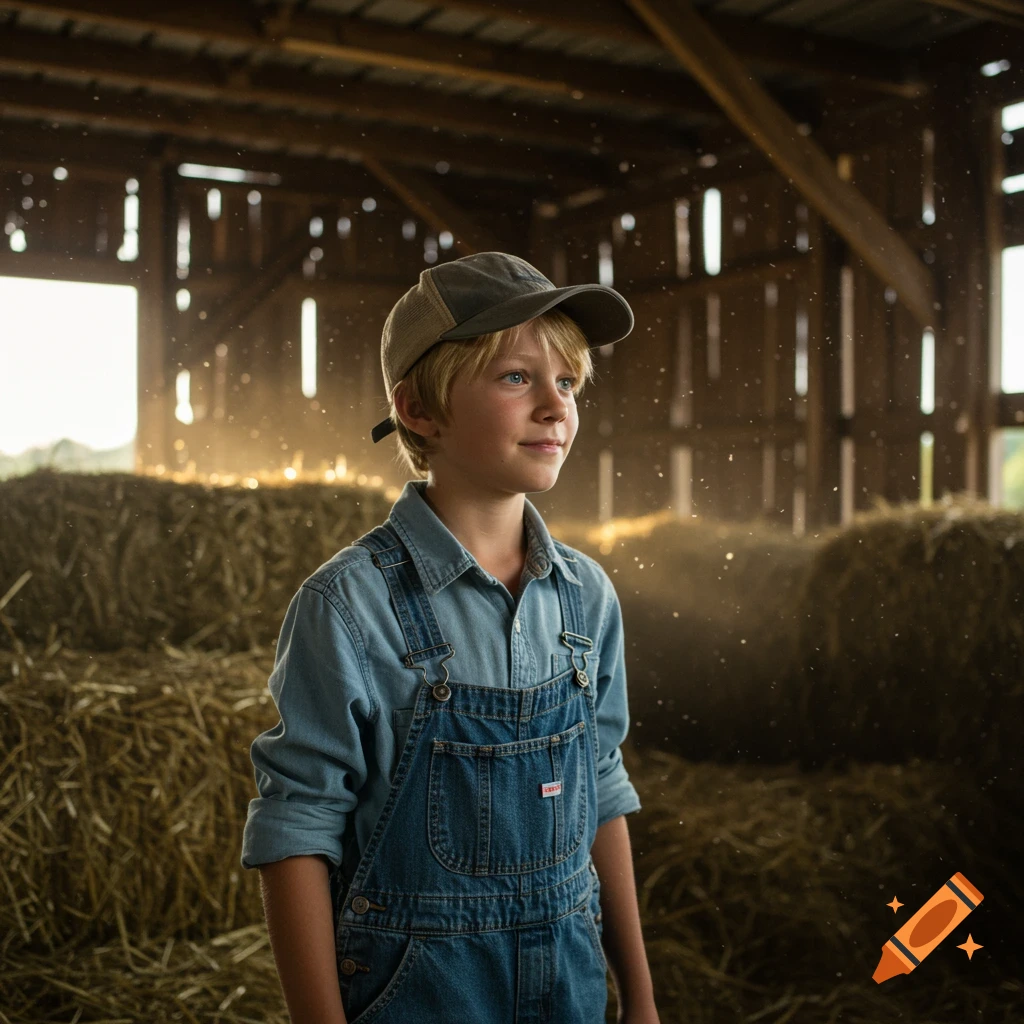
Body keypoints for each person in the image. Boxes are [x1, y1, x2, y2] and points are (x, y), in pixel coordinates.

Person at [241, 251, 660, 1024]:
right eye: (515, 378)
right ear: (419, 409)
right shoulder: (348, 605)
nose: (554, 407)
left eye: (566, 382)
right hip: (417, 996)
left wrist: (640, 997)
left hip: (570, 990)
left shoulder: (586, 599)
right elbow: (298, 825)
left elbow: (601, 785)